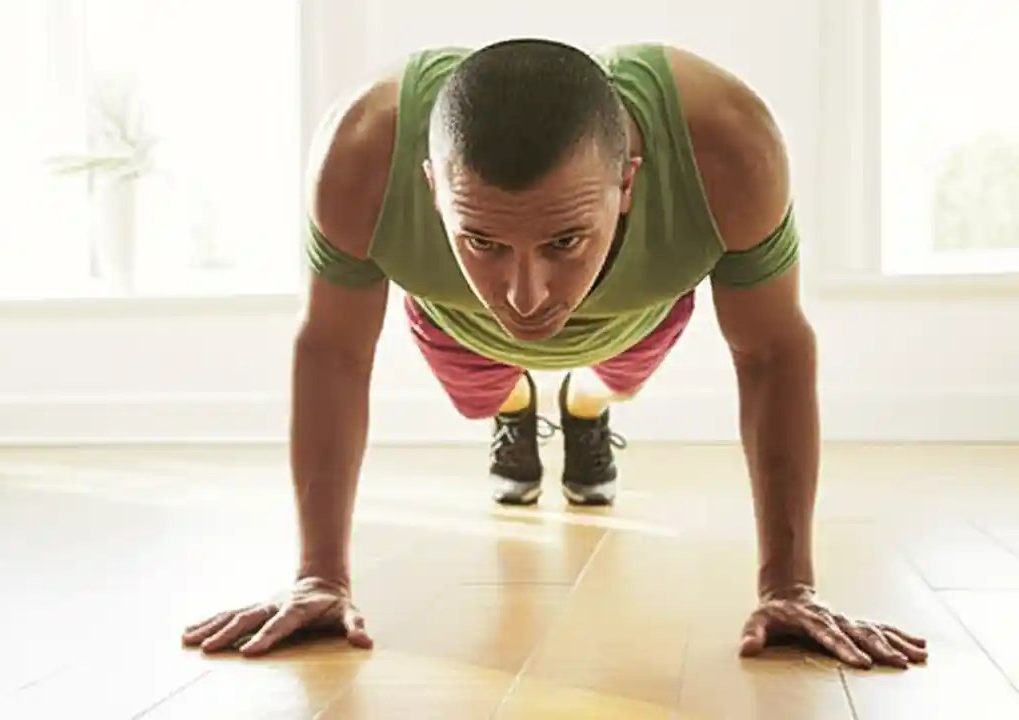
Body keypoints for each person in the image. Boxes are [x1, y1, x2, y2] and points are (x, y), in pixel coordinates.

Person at [181, 39, 928, 670]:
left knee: (610, 382)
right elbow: (334, 351)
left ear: (629, 181)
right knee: (487, 391)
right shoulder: (360, 151)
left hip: (637, 316)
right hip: (454, 324)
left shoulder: (728, 142)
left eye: (565, 241)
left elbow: (771, 350)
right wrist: (319, 576)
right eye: (484, 241)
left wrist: (788, 586)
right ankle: (516, 403)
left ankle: (585, 404)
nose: (528, 296)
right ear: (431, 187)